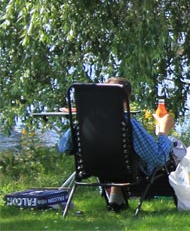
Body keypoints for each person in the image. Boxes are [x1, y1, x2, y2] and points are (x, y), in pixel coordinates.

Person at [56, 77, 176, 210]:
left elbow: (63, 148)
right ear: (126, 100)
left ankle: (117, 201)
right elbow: (158, 158)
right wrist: (163, 131)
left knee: (115, 157)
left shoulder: (84, 122)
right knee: (172, 149)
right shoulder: (128, 123)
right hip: (125, 170)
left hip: (91, 167)